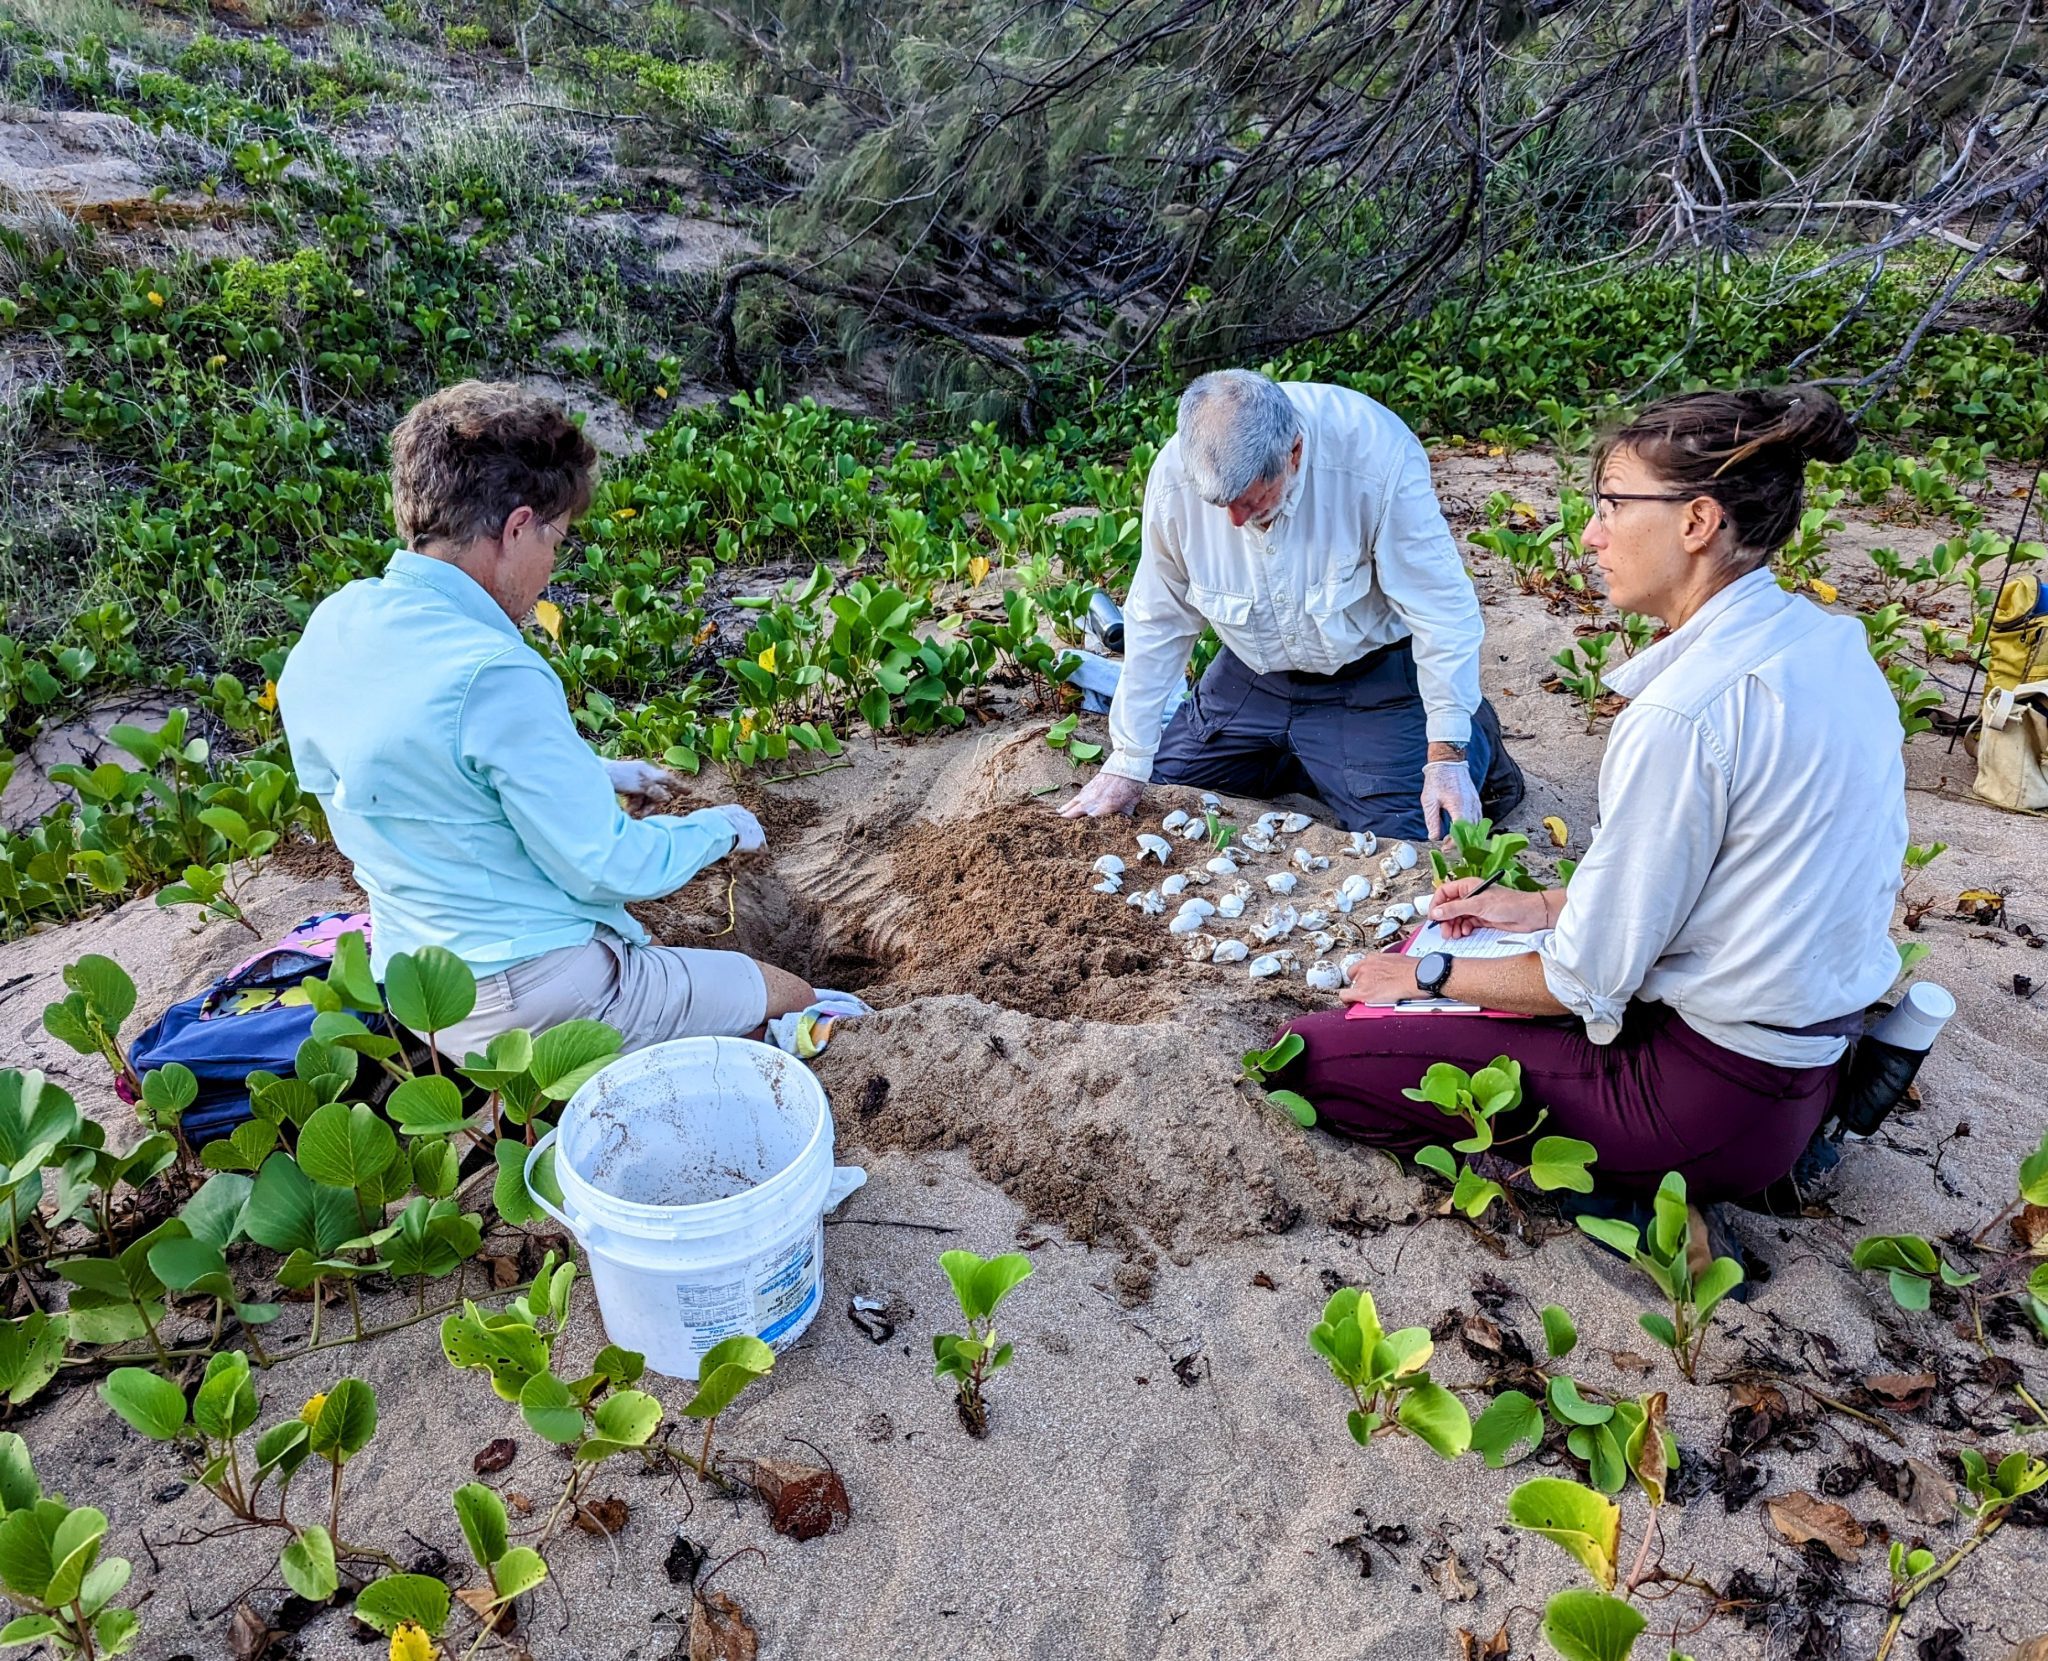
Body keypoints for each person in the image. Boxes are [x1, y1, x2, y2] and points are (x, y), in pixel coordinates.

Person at [1271, 385, 1905, 1210]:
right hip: (1809, 1066)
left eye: (1612, 505)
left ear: (1697, 522)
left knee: (1309, 1054)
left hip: (1707, 1103)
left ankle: (1618, 1197)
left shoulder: (1685, 713)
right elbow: (1734, 883)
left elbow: (1585, 982)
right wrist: (1537, 905)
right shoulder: (1829, 644)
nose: (1591, 534)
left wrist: (1425, 974)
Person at [278, 381, 814, 1058]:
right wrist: (716, 828)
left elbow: (427, 768)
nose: (553, 564)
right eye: (555, 538)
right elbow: (605, 867)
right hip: (529, 997)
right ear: (516, 527)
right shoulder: (494, 671)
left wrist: (598, 771)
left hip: (422, 991)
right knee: (791, 995)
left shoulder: (336, 624)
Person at [1059, 369, 1523, 840]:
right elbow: (1159, 618)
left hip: (1373, 678)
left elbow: (1442, 612)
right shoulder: (1179, 475)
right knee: (1161, 786)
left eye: (1250, 501)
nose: (1235, 521)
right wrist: (1128, 759)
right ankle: (1320, 760)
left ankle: (1463, 730)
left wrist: (1446, 754)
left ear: (1294, 453)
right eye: (1221, 505)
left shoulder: (1375, 455)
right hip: (1251, 677)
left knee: (1412, 834)